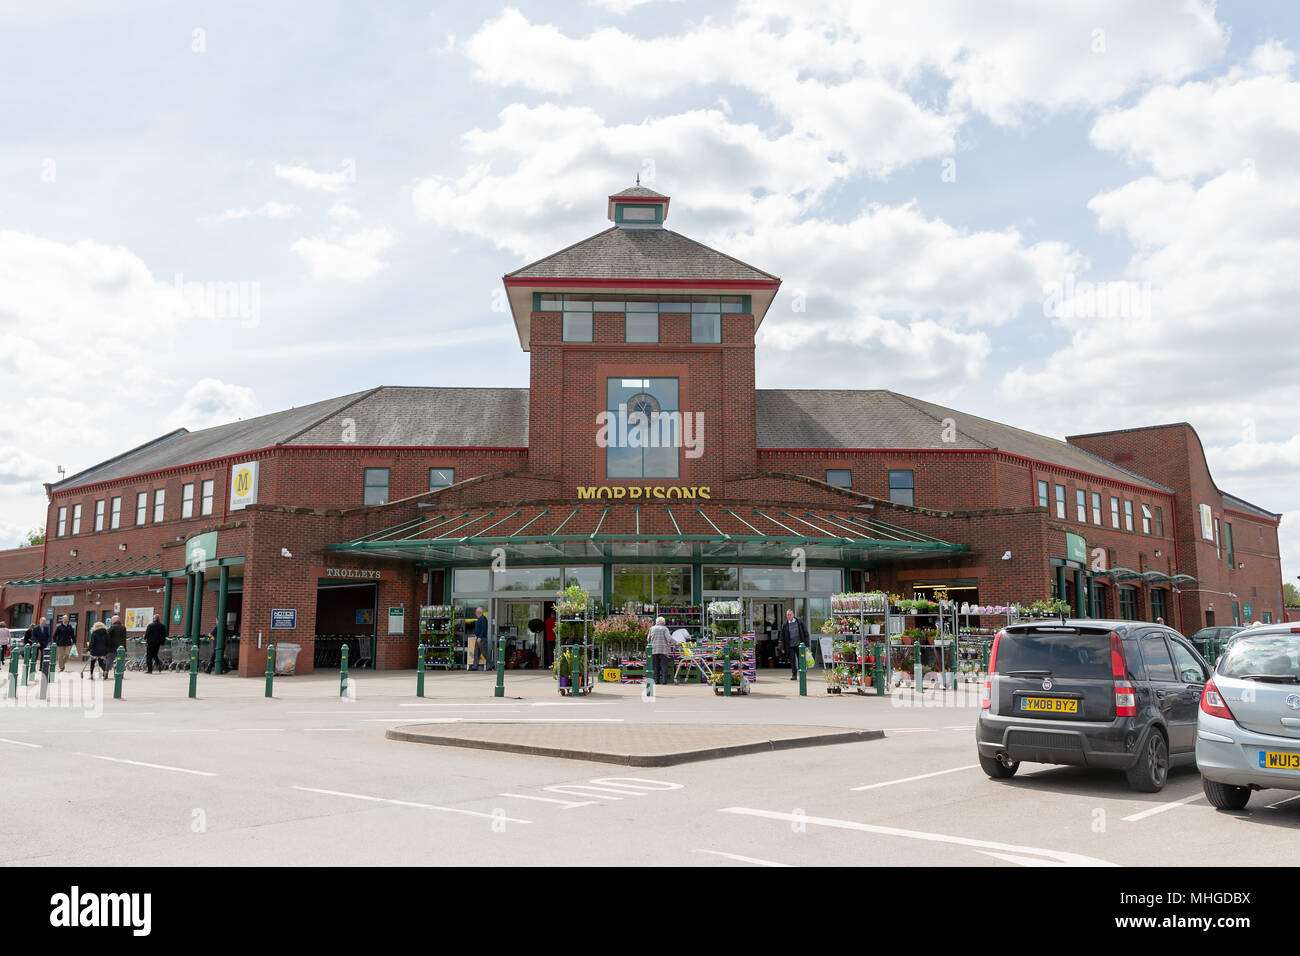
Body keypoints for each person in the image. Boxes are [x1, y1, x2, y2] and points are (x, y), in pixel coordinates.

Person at [779, 608, 809, 681]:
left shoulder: (799, 622)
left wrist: (807, 645)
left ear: (793, 615)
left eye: (790, 614)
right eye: (787, 615)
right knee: (792, 661)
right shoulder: (785, 625)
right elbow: (782, 637)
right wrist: (782, 647)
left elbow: (806, 633)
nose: (789, 616)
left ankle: (802, 674)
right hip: (790, 645)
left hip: (800, 645)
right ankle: (794, 675)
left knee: (801, 660)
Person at [647, 615, 673, 685]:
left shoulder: (652, 629)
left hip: (654, 650)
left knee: (655, 666)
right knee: (664, 666)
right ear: (663, 622)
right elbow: (669, 639)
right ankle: (664, 681)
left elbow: (648, 639)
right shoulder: (665, 629)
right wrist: (676, 643)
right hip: (664, 650)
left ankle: (656, 681)